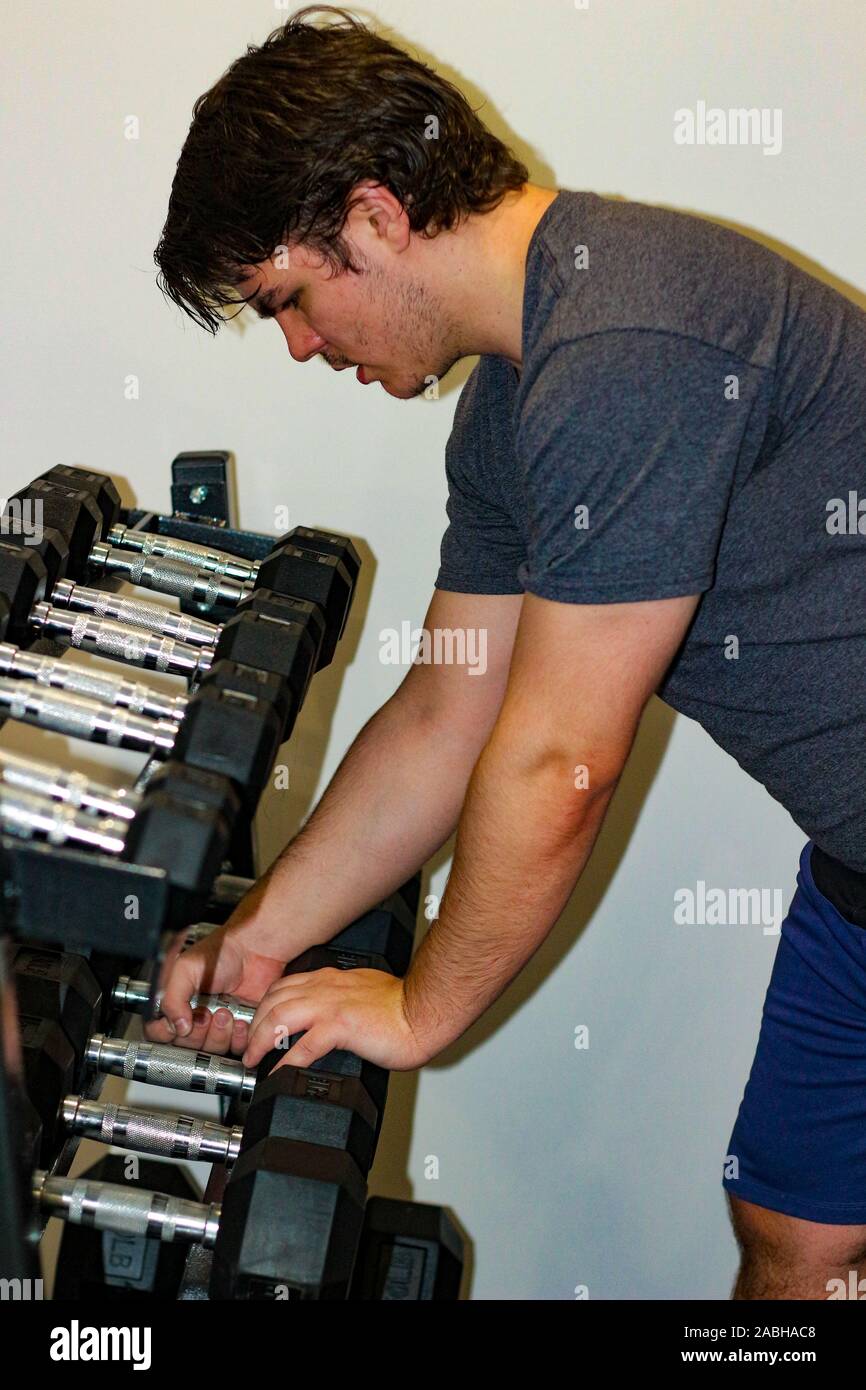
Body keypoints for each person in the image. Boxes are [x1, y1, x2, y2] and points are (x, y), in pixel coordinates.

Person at [151, 6, 866, 1300]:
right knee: (796, 1241)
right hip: (857, 874)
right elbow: (447, 713)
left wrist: (418, 1011)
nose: (303, 346)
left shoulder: (623, 354)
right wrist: (255, 945)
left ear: (372, 218)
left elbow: (557, 768)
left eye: (292, 303)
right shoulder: (511, 403)